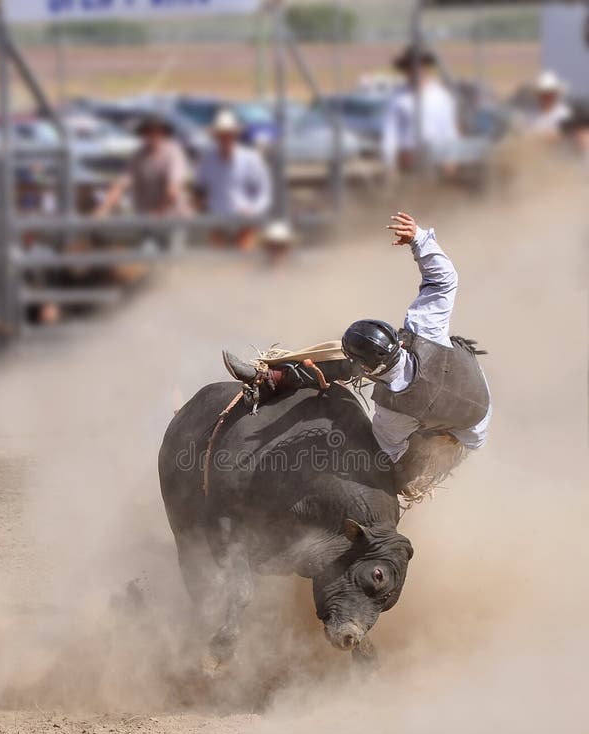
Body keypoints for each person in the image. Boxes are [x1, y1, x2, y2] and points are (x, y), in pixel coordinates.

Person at [223, 211, 491, 501]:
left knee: (395, 473)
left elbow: (391, 453)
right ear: (397, 342)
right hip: (473, 409)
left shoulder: (392, 416)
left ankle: (275, 376)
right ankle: (277, 376)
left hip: (457, 439)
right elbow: (444, 280)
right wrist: (419, 239)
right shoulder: (426, 329)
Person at [194, 108, 273, 251]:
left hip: (245, 219)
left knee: (244, 259)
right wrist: (201, 205)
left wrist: (253, 210)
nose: (225, 138)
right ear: (216, 137)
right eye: (222, 135)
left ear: (235, 135)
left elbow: (264, 191)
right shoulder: (207, 159)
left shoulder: (251, 158)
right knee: (218, 263)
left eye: (229, 135)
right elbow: (200, 187)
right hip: (216, 220)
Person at [381, 45, 459, 173]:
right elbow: (390, 133)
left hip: (438, 157)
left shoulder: (442, 96)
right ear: (405, 71)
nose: (416, 72)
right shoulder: (397, 97)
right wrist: (389, 162)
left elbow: (448, 129)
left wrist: (452, 158)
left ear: (427, 68)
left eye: (420, 67)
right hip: (407, 158)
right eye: (410, 68)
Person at [95, 114, 190, 218]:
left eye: (157, 132)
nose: (153, 135)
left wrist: (159, 212)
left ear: (164, 133)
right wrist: (102, 209)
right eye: (148, 131)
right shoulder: (138, 155)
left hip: (172, 217)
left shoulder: (174, 152)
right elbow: (121, 184)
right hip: (146, 216)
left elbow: (173, 188)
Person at [526, 71, 571, 139]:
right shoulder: (530, 113)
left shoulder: (564, 113)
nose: (546, 96)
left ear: (555, 94)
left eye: (549, 93)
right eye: (543, 93)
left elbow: (565, 135)